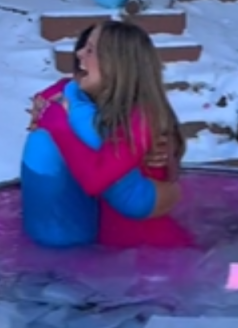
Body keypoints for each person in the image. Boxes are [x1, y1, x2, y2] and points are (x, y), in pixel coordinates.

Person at [41, 21, 191, 248]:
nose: (79, 53)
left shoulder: (142, 119)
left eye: (90, 50)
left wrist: (57, 123)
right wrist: (44, 105)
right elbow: (59, 90)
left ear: (116, 64)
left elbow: (95, 181)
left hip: (150, 256)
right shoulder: (97, 109)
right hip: (106, 249)